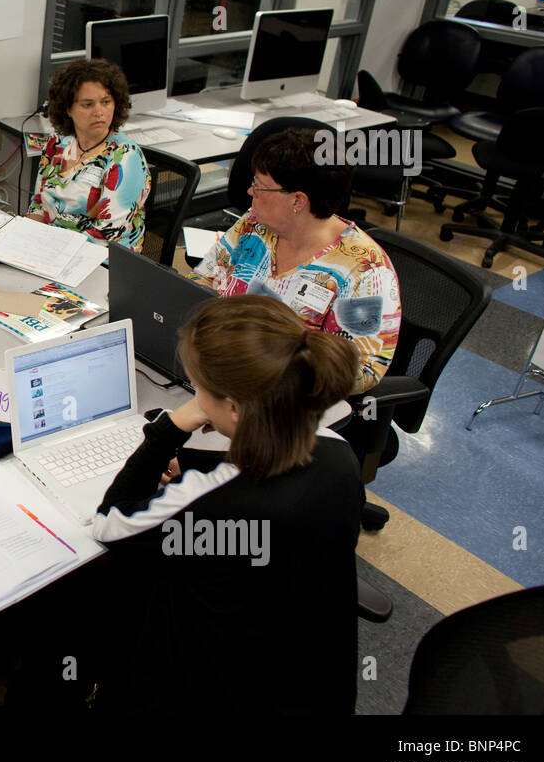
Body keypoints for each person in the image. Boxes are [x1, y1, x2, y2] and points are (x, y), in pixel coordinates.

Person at [92, 295, 364, 714]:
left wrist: (170, 428)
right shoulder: (339, 453)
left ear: (233, 408)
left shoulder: (214, 501)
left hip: (208, 687)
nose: (196, 398)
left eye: (199, 389)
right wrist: (199, 466)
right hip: (307, 676)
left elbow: (110, 524)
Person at [190, 126, 400, 394]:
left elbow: (362, 371)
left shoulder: (365, 270)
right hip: (222, 372)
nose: (250, 191)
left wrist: (266, 365)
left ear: (298, 201)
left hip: (287, 401)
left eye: (259, 185)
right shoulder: (255, 226)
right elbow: (202, 278)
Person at [27, 58, 152, 250]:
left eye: (106, 102)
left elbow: (105, 238)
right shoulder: (58, 142)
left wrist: (47, 250)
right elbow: (39, 207)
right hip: (51, 248)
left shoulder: (126, 157)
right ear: (68, 108)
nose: (99, 112)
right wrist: (20, 237)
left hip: (101, 261)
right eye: (88, 104)